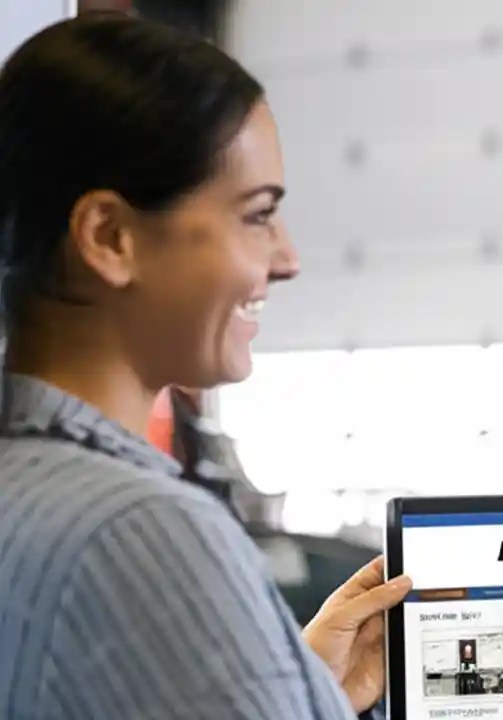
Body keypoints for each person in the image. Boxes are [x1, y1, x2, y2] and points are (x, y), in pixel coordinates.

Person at [0, 13, 410, 719]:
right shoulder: (142, 529)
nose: (287, 259)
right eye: (256, 216)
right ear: (110, 236)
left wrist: (301, 692)